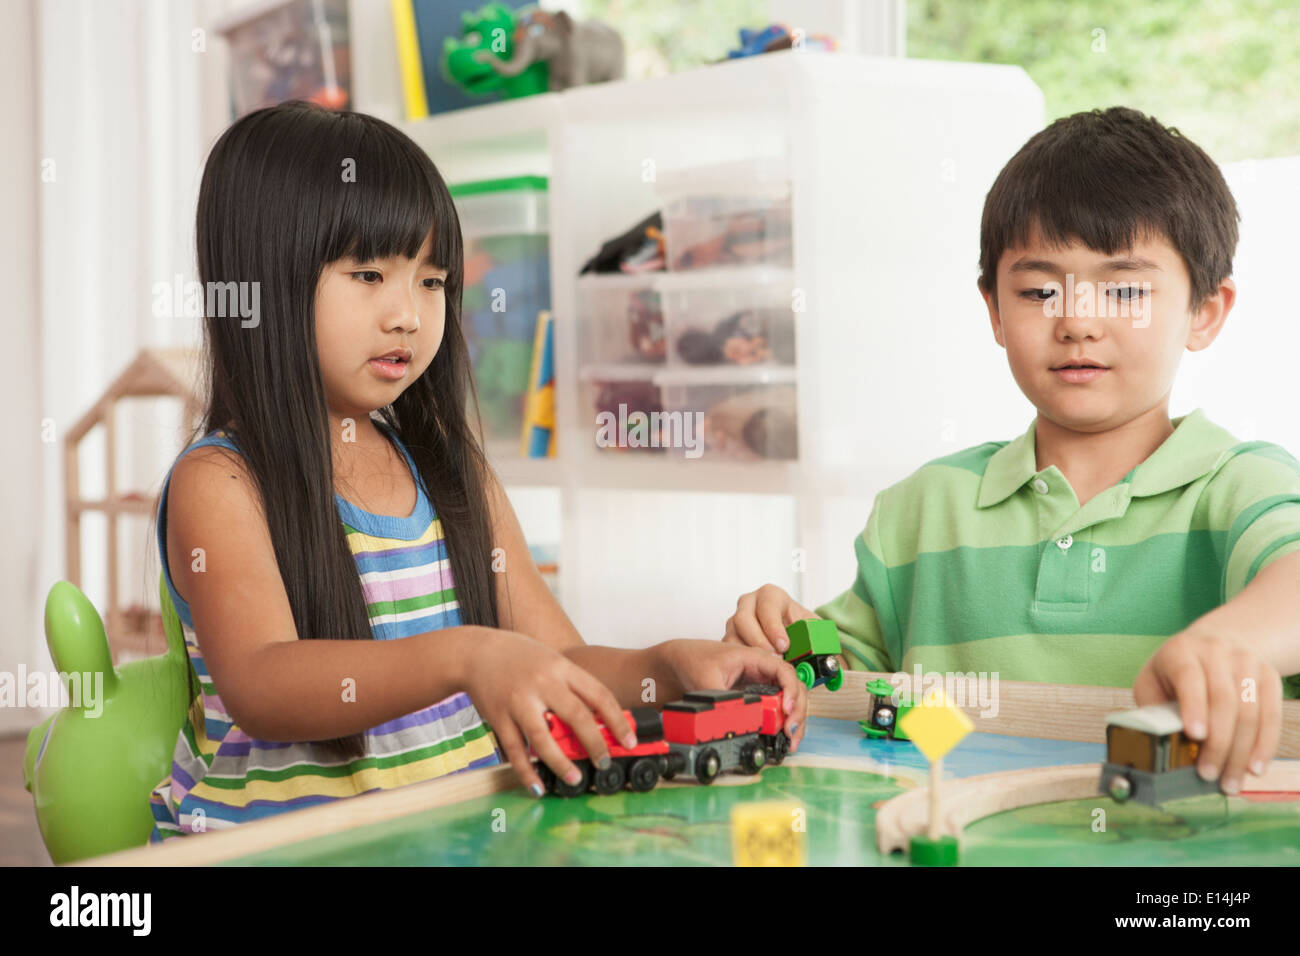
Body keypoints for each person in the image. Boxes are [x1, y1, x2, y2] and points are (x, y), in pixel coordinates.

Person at [149, 101, 806, 840]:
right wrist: (468, 655)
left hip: (448, 841)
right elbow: (262, 682)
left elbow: (559, 659)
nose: (408, 315)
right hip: (278, 852)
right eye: (369, 274)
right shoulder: (223, 483)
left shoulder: (452, 475)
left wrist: (671, 666)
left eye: (432, 281)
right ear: (261, 285)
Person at [725, 107, 1300, 799]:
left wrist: (1233, 643)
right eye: (1037, 291)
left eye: (1124, 289)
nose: (1078, 322)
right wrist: (778, 641)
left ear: (1205, 311)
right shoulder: (921, 510)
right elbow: (840, 689)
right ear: (995, 310)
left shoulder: (1241, 484)